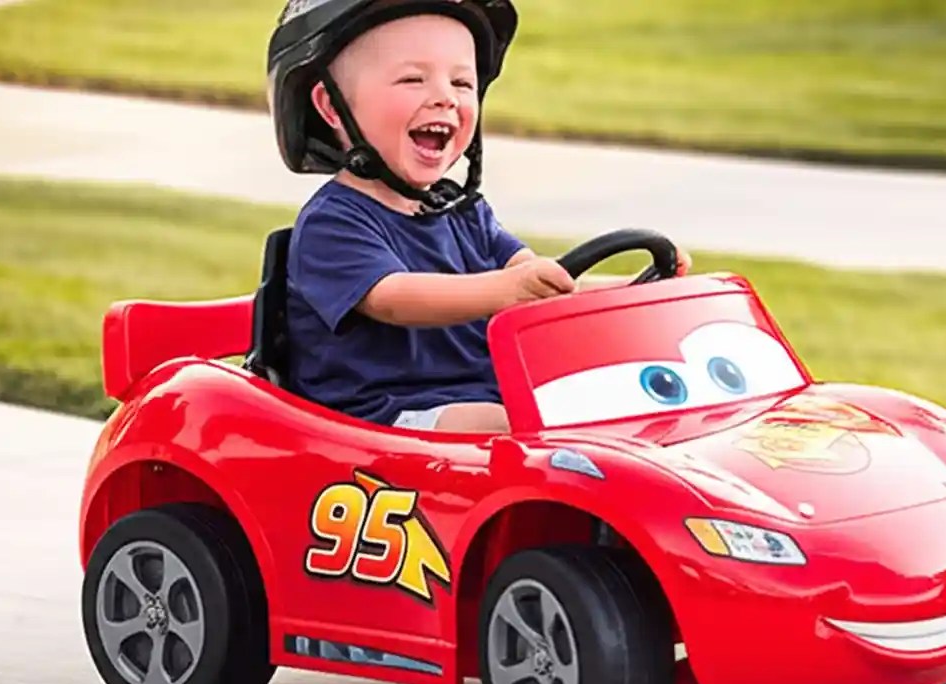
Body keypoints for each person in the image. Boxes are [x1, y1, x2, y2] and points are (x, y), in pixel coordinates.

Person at [266, 0, 691, 433]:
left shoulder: (464, 212)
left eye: (462, 83)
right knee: (527, 429)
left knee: (607, 401)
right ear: (332, 107)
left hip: (479, 394)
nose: (445, 98)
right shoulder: (333, 224)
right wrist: (506, 290)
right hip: (381, 416)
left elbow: (543, 283)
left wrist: (632, 289)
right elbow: (395, 299)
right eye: (413, 79)